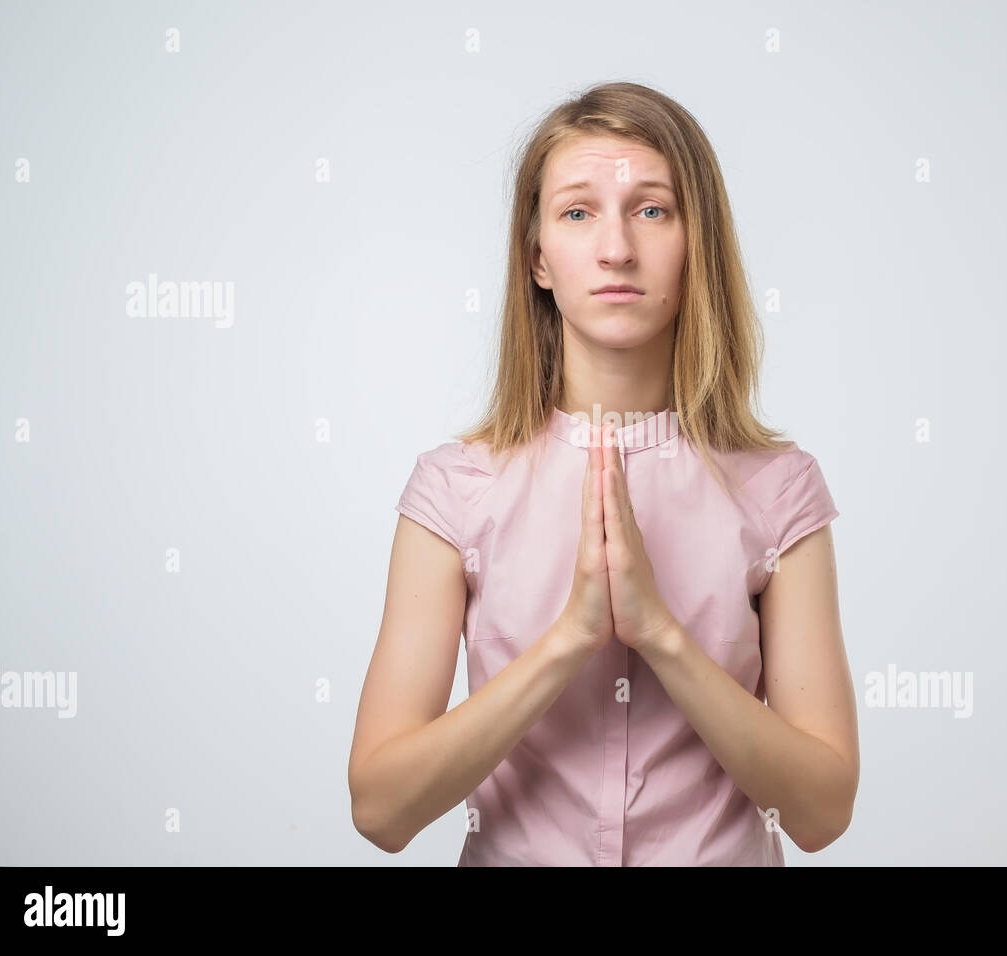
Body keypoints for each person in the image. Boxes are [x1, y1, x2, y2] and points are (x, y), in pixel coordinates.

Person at [348, 81, 859, 866]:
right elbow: (381, 809)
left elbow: (822, 813)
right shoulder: (455, 490)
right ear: (540, 260)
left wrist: (660, 634)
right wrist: (569, 640)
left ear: (699, 246)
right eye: (578, 213)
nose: (616, 248)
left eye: (651, 210)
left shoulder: (778, 489)